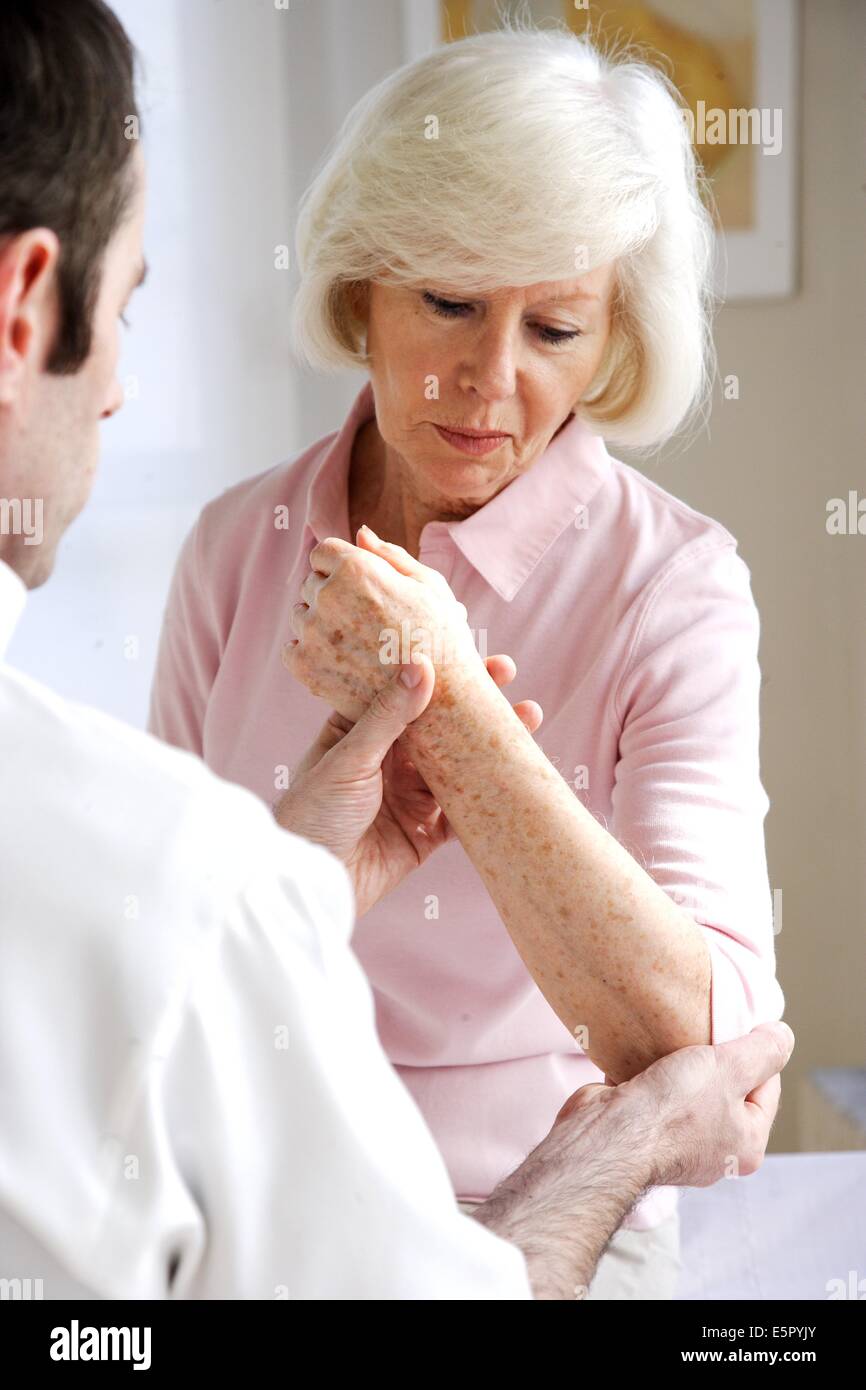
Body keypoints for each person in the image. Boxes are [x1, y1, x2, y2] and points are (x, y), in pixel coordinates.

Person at [0, 0, 793, 1300]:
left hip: (557, 1195)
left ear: (612, 342)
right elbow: (155, 944)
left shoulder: (676, 585)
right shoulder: (231, 545)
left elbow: (705, 1055)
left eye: (553, 329)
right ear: (361, 285)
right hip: (260, 1173)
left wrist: (464, 726)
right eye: (448, 302)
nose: (490, 377)